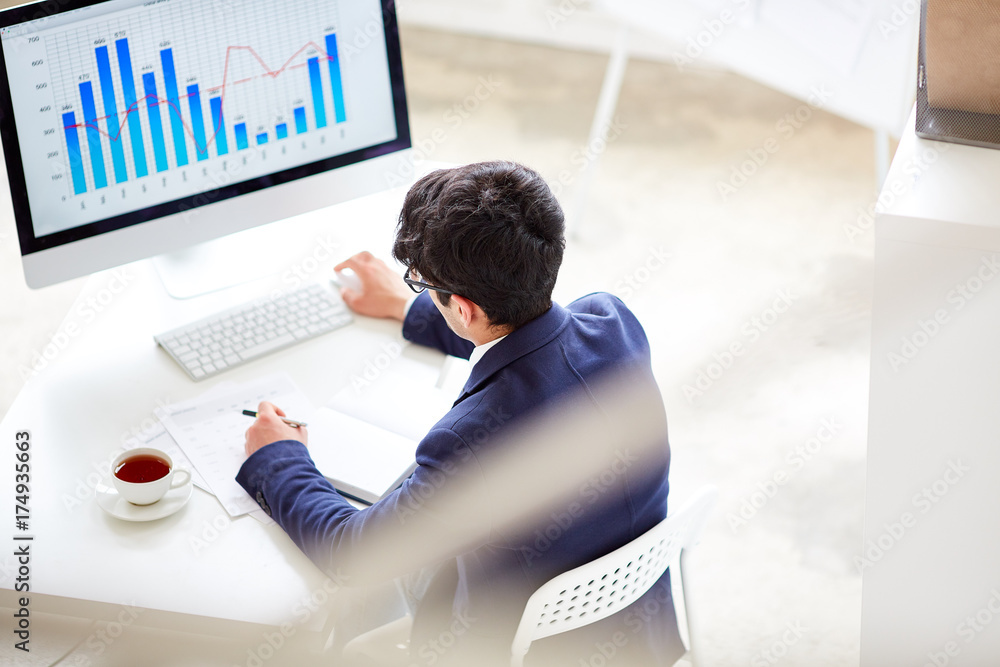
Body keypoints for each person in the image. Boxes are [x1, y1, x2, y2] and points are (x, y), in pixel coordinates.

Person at [237, 161, 684, 666]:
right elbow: (536, 333)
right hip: (637, 621)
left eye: (422, 285)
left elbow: (355, 556)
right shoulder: (613, 321)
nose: (421, 290)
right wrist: (412, 309)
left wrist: (279, 458)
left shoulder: (470, 444)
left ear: (465, 309)